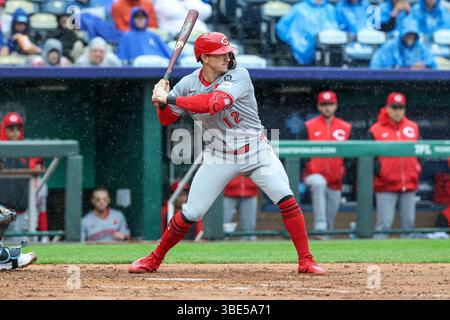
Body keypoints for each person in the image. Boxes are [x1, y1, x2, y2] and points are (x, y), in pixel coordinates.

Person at [129, 32, 326, 275]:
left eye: (228, 51)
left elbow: (215, 103)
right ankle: (154, 259)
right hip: (219, 155)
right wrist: (160, 102)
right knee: (192, 211)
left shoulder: (239, 74)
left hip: (256, 151)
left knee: (285, 197)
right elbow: (167, 118)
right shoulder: (188, 84)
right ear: (204, 58)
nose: (227, 56)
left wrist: (169, 96)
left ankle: (306, 260)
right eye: (220, 53)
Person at [369, 92, 421, 238]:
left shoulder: (413, 127)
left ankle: (410, 262)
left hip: (409, 183)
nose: (398, 111)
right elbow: (368, 157)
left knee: (408, 226)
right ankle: (377, 260)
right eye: (394, 107)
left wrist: (416, 167)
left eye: (400, 107)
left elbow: (422, 152)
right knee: (384, 225)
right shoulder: (376, 129)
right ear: (387, 108)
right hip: (386, 185)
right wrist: (380, 172)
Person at [301, 91, 352, 237]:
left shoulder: (346, 127)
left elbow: (351, 156)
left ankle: (325, 235)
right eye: (324, 104)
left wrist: (343, 170)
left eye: (330, 104)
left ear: (335, 105)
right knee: (319, 183)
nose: (327, 108)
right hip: (314, 175)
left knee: (331, 221)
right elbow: (299, 151)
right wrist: (309, 166)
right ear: (318, 106)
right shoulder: (309, 126)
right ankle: (320, 226)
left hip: (335, 179)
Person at [0, 113, 48, 240]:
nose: (15, 132)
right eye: (11, 128)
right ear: (4, 129)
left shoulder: (27, 151)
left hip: (23, 213)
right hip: (2, 209)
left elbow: (39, 164)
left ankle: (44, 237)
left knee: (22, 249)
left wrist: (37, 166)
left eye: (18, 128)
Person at [276, 0, 339, 65]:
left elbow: (340, 28)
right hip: (301, 52)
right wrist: (292, 39)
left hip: (328, 53)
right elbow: (281, 27)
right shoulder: (299, 9)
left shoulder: (330, 9)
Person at [370, 18, 436, 69]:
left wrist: (423, 65)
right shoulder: (390, 46)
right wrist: (393, 68)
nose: (410, 37)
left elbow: (433, 65)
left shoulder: (421, 47)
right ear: (402, 34)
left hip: (416, 82)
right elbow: (375, 66)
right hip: (391, 82)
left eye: (413, 34)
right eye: (408, 34)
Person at [223, 176, 259, 241]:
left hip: (250, 192)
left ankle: (248, 243)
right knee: (224, 221)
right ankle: (222, 241)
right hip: (228, 193)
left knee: (248, 224)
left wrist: (254, 184)